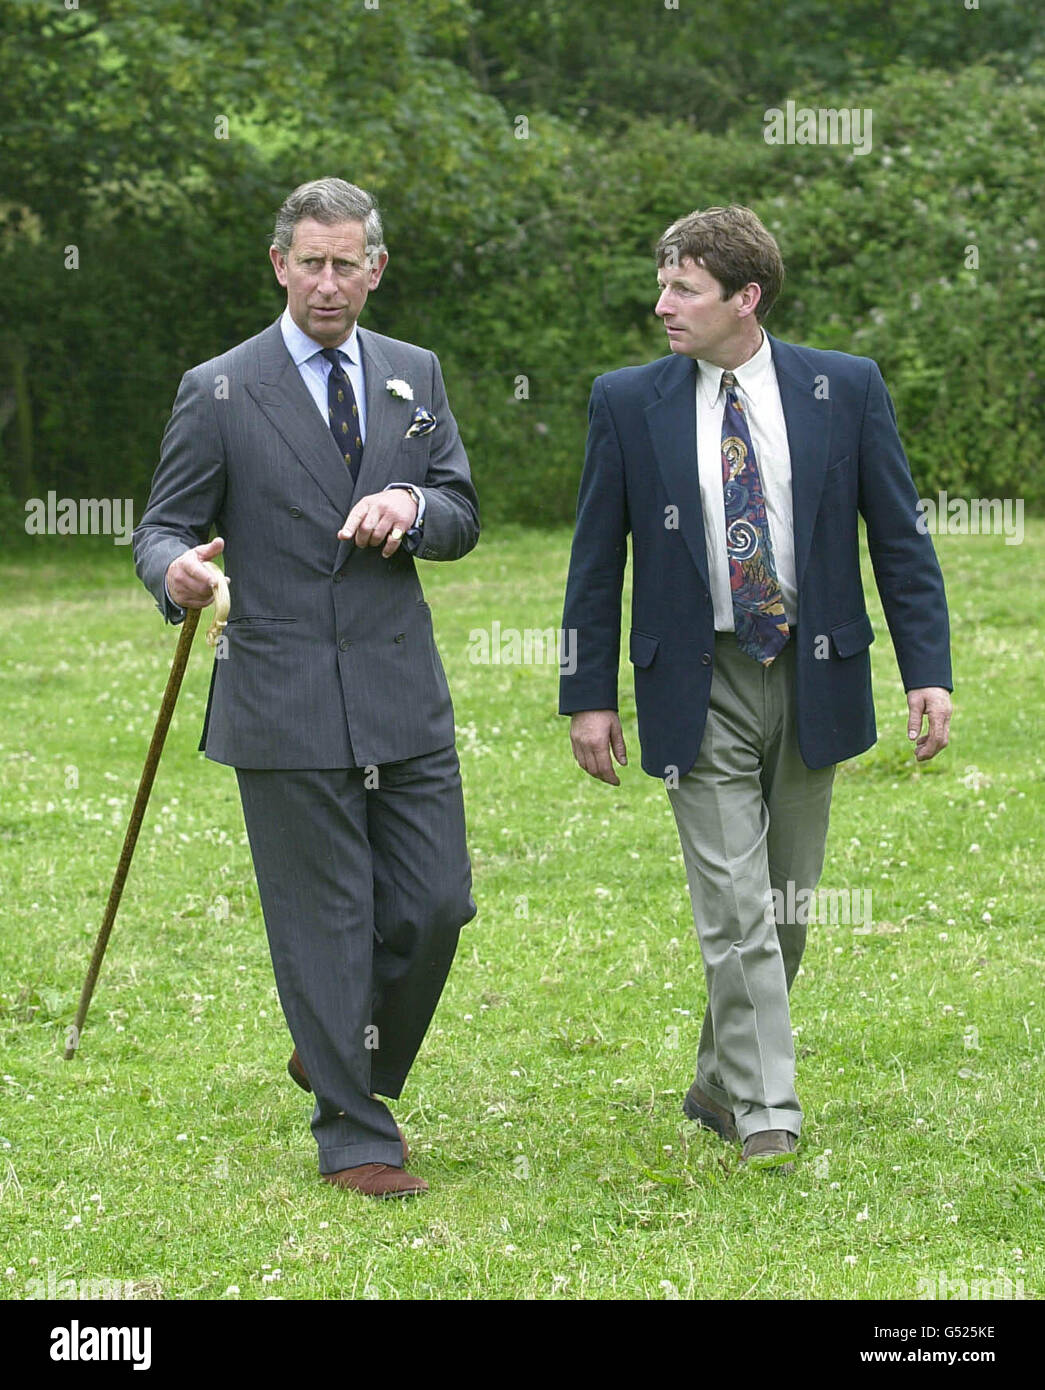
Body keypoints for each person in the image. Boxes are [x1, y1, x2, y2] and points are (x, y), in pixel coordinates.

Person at [559, 205, 952, 1172]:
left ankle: (713, 1077)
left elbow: (898, 539)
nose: (662, 306)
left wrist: (925, 672)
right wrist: (587, 692)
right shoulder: (627, 400)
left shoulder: (844, 388)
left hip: (813, 674)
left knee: (785, 908)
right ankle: (767, 1108)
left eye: (683, 288)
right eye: (662, 285)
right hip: (696, 682)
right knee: (734, 904)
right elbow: (592, 557)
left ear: (746, 297)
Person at [133, 177, 479, 1198]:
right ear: (280, 264)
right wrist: (177, 574)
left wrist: (411, 503)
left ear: (375, 269)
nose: (329, 283)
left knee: (435, 904)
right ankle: (354, 1131)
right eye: (310, 263)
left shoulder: (414, 374)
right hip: (278, 690)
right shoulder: (220, 388)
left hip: (398, 686)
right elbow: (161, 526)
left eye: (348, 264)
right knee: (324, 917)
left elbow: (460, 511)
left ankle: (342, 1049)